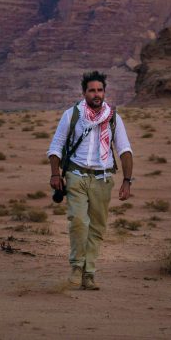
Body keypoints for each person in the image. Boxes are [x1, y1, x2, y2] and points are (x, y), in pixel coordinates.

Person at [47, 70, 134, 290]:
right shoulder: (72, 115)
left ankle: (89, 273)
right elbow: (56, 146)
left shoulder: (113, 118)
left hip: (103, 178)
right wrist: (55, 174)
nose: (96, 94)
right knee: (78, 222)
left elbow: (124, 150)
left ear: (105, 92)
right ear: (84, 92)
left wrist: (127, 180)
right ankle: (77, 267)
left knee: (97, 227)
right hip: (76, 175)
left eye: (100, 90)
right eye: (92, 90)